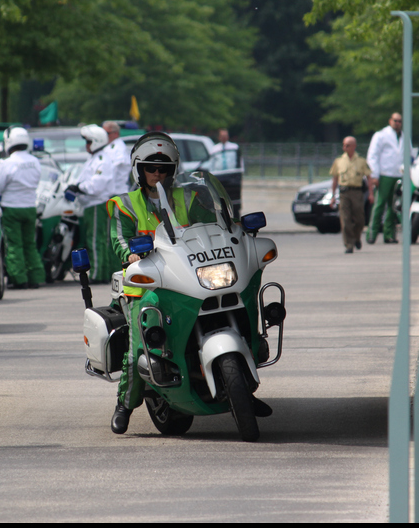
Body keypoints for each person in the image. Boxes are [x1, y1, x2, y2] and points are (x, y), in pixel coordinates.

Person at [105, 131, 271, 434]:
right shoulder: (124, 204)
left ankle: (243, 389)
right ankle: (125, 405)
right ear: (138, 170)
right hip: (147, 283)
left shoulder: (190, 196)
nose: (157, 174)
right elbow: (119, 241)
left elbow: (214, 223)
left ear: (173, 170)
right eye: (151, 168)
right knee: (137, 346)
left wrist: (236, 231)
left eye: (164, 169)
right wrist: (130, 254)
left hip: (188, 275)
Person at [0, 127, 46, 289]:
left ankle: (19, 279)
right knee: (30, 244)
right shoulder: (34, 161)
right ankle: (36, 277)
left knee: (14, 245)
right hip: (29, 207)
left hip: (11, 208)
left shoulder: (7, 163)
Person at [67, 124, 120, 283]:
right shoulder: (95, 158)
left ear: (96, 141)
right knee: (97, 239)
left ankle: (98, 274)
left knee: (96, 240)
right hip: (91, 205)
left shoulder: (102, 160)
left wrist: (79, 187)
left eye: (89, 142)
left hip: (97, 204)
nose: (86, 145)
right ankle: (102, 272)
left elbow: (96, 185)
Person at [330, 137, 374, 253]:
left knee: (360, 220)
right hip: (344, 193)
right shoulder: (339, 161)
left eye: (348, 145)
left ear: (354, 146)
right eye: (344, 145)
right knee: (345, 220)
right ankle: (349, 244)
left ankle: (357, 238)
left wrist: (371, 193)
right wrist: (333, 196)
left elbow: (369, 178)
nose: (345, 147)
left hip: (357, 192)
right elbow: (335, 179)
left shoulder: (361, 161)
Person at [366, 112, 404, 244]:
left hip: (398, 175)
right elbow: (372, 156)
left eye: (399, 121)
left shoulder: (404, 136)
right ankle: (372, 234)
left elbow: (409, 155)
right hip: (384, 174)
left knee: (394, 207)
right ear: (390, 121)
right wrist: (374, 175)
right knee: (379, 205)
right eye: (395, 120)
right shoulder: (381, 135)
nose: (397, 123)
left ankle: (389, 235)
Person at [103, 121, 131, 197]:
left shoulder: (119, 148)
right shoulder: (110, 147)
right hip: (112, 192)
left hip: (117, 193)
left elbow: (113, 170)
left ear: (115, 133)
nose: (104, 136)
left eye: (107, 133)